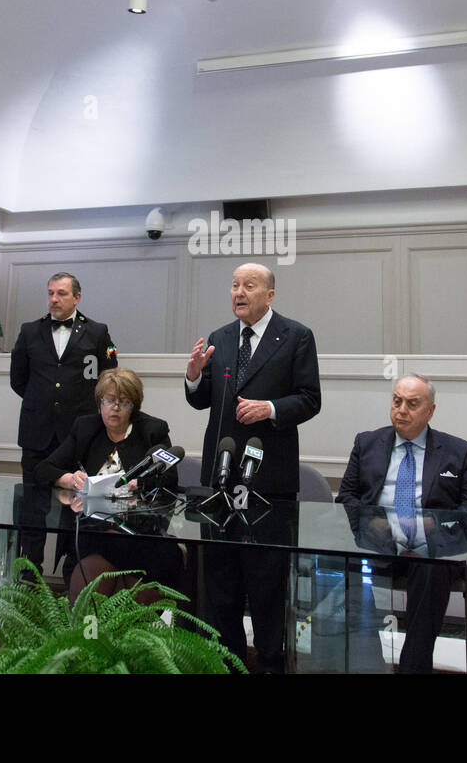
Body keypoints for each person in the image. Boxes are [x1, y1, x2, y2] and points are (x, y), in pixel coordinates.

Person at [185, 262, 321, 672]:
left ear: (270, 294)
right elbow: (202, 398)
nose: (238, 292)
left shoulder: (296, 336)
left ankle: (271, 662)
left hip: (269, 482)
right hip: (221, 477)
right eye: (234, 285)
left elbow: (310, 399)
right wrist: (193, 377)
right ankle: (226, 662)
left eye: (249, 285)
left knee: (265, 587)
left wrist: (271, 408)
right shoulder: (220, 338)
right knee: (221, 585)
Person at [336, 375, 467, 673]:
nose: (401, 410)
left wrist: (431, 525)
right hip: (377, 544)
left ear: (430, 411)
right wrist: (374, 523)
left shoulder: (459, 452)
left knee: (431, 567)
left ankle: (413, 667)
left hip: (431, 549)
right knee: (344, 566)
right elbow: (346, 499)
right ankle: (368, 664)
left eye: (412, 404)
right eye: (396, 401)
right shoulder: (366, 443)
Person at [35, 368, 183, 601]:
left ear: (133, 407)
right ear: (99, 403)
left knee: (132, 597)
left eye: (123, 403)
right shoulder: (85, 428)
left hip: (139, 539)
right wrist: (70, 479)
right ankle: (90, 636)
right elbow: (44, 469)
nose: (115, 408)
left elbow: (170, 478)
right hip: (93, 538)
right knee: (93, 595)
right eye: (109, 401)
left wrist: (141, 484)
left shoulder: (153, 430)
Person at [10, 272, 117, 568]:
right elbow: (18, 380)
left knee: (77, 508)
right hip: (36, 434)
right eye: (50, 293)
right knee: (33, 507)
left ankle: (73, 573)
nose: (54, 299)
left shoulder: (96, 332)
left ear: (77, 297)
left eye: (61, 293)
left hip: (78, 436)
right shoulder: (30, 331)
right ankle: (29, 576)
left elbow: (107, 379)